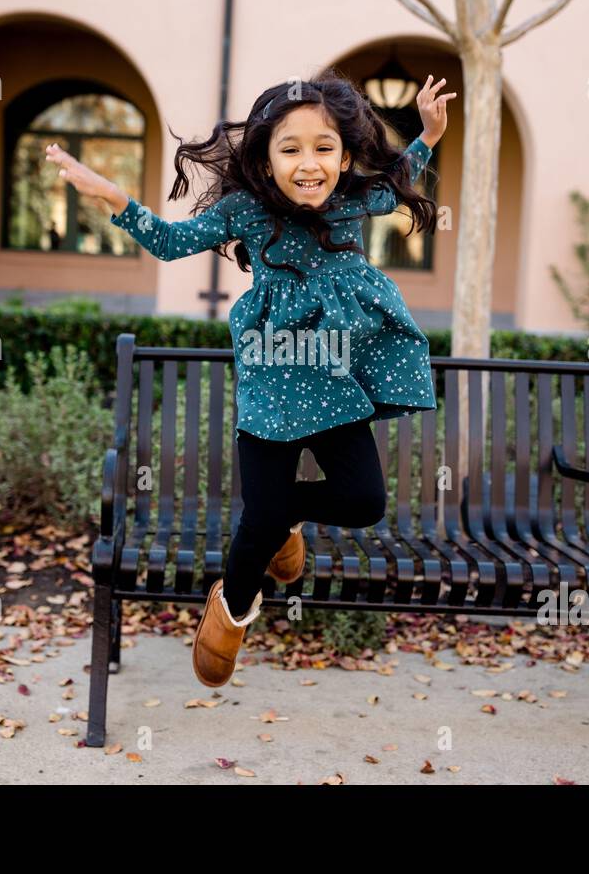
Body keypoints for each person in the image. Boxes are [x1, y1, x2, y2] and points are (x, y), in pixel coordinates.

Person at [44, 66, 455, 687]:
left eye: (323, 148)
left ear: (344, 160)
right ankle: (232, 611)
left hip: (335, 381)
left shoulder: (353, 201)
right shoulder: (245, 210)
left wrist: (428, 132)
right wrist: (115, 199)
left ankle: (283, 519)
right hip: (271, 381)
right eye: (290, 149)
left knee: (363, 502)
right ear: (265, 161)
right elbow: (169, 240)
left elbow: (398, 181)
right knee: (259, 513)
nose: (308, 162)